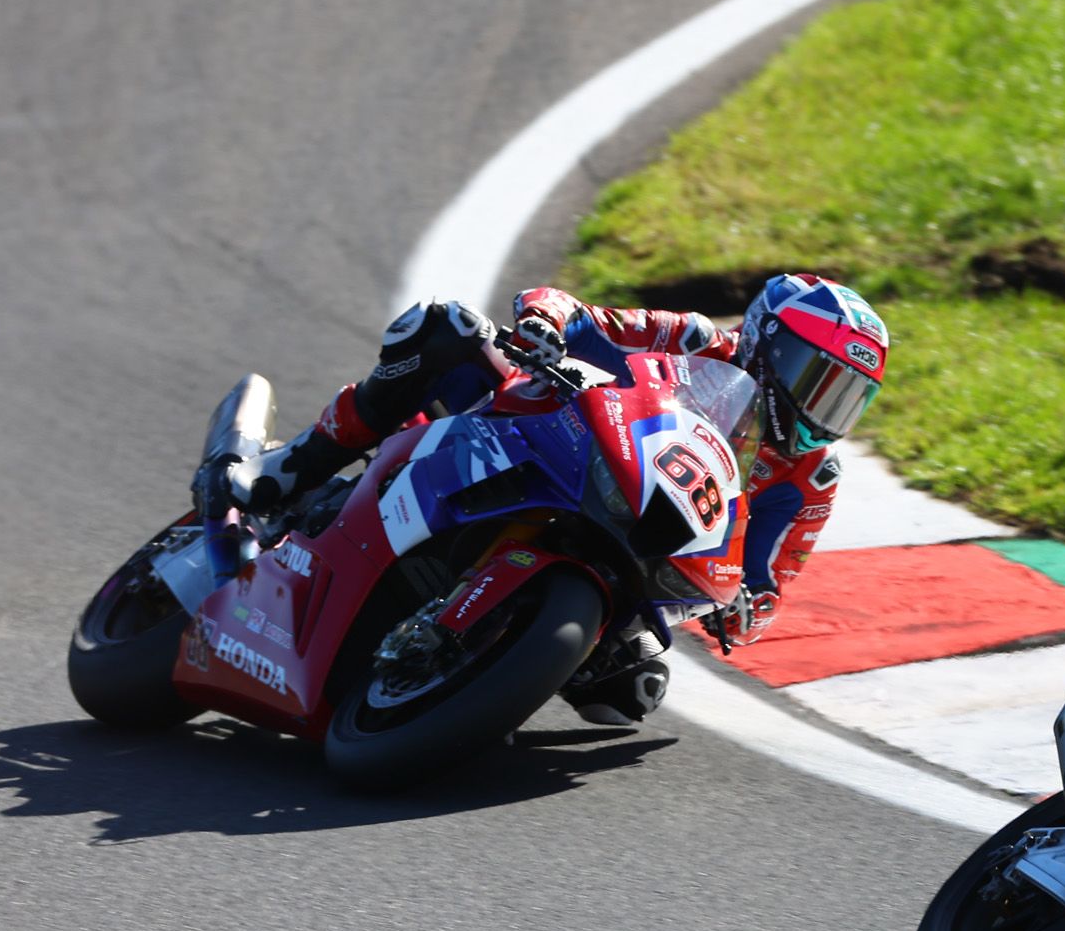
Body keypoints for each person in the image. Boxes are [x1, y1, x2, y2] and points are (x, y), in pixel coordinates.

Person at [227, 273, 889, 723]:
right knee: (443, 330)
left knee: (628, 699)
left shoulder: (812, 477)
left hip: (646, 561)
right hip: (570, 454)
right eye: (818, 380)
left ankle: (478, 670)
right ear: (768, 344)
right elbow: (575, 311)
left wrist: (742, 608)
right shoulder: (693, 338)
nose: (822, 412)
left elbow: (769, 584)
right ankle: (294, 469)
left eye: (846, 400)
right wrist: (545, 324)